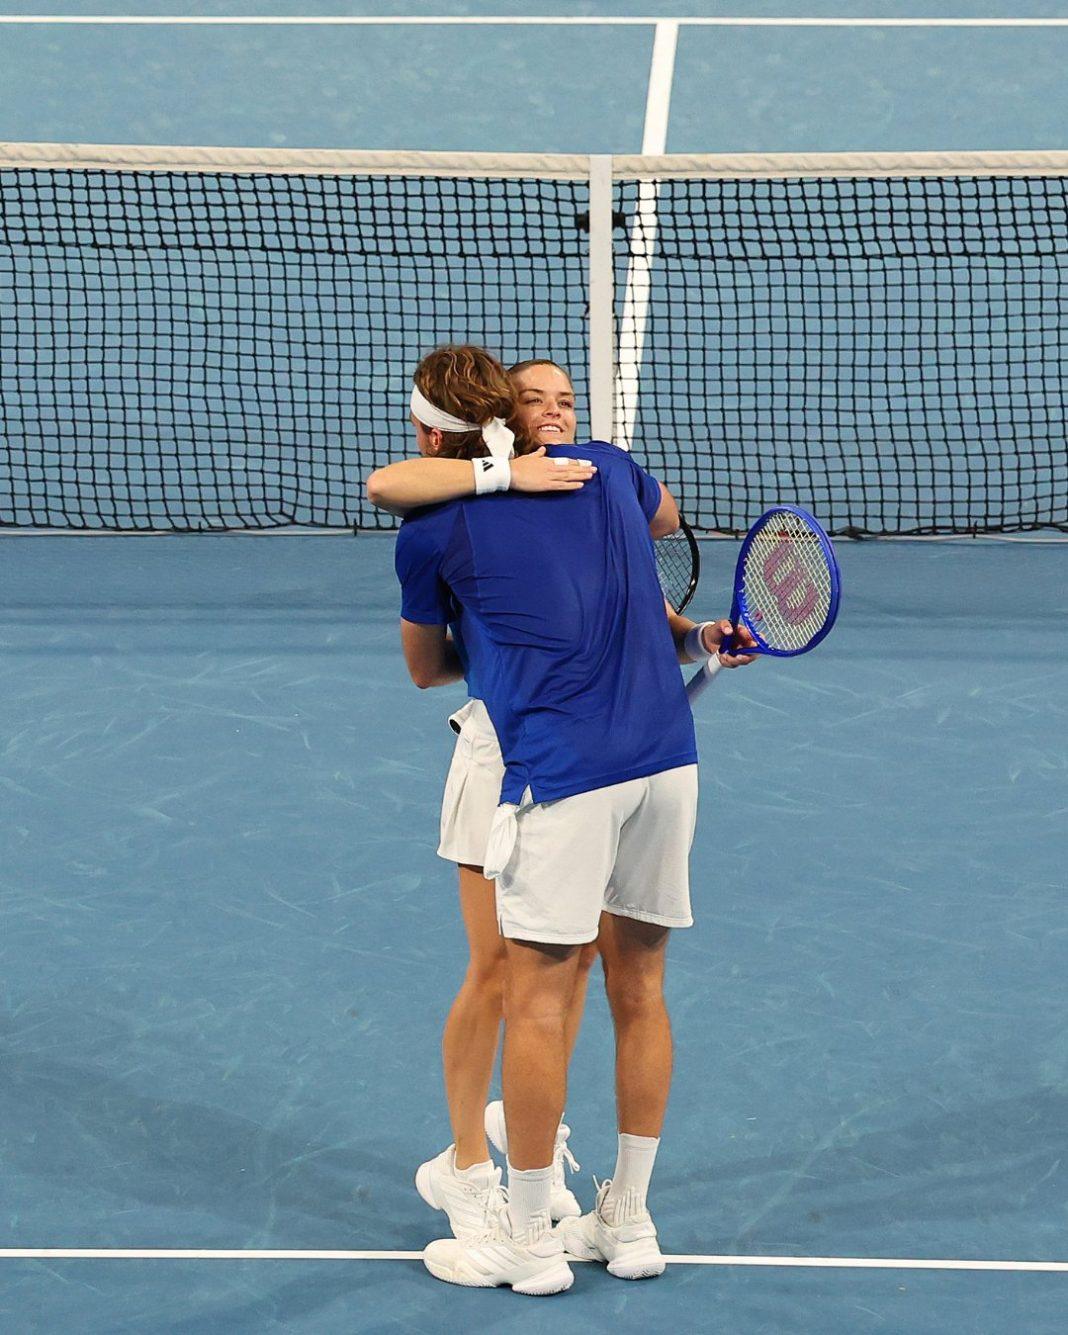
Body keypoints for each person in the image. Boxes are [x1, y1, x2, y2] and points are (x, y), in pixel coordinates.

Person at [390, 345, 756, 1294]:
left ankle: (527, 1238)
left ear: (442, 432)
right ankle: (626, 1221)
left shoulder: (433, 529)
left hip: (562, 774)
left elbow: (427, 667)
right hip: (666, 764)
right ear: (509, 420)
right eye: (538, 400)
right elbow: (655, 527)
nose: (558, 411)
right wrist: (695, 633)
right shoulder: (615, 476)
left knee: (538, 998)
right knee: (640, 989)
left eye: (565, 399)